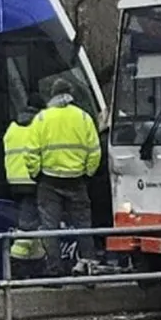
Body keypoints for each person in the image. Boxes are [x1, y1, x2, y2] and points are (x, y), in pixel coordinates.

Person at [30, 78, 103, 276]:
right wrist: (88, 173)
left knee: (50, 228)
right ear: (71, 94)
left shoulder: (42, 118)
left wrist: (36, 173)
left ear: (52, 95)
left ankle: (54, 270)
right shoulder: (84, 117)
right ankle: (88, 267)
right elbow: (95, 151)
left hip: (49, 180)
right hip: (77, 180)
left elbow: (31, 152)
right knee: (83, 226)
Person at [2, 97, 46, 277]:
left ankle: (37, 262)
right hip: (32, 181)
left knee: (33, 223)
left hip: (15, 181)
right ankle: (16, 261)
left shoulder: (12, 128)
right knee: (28, 225)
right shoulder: (38, 126)